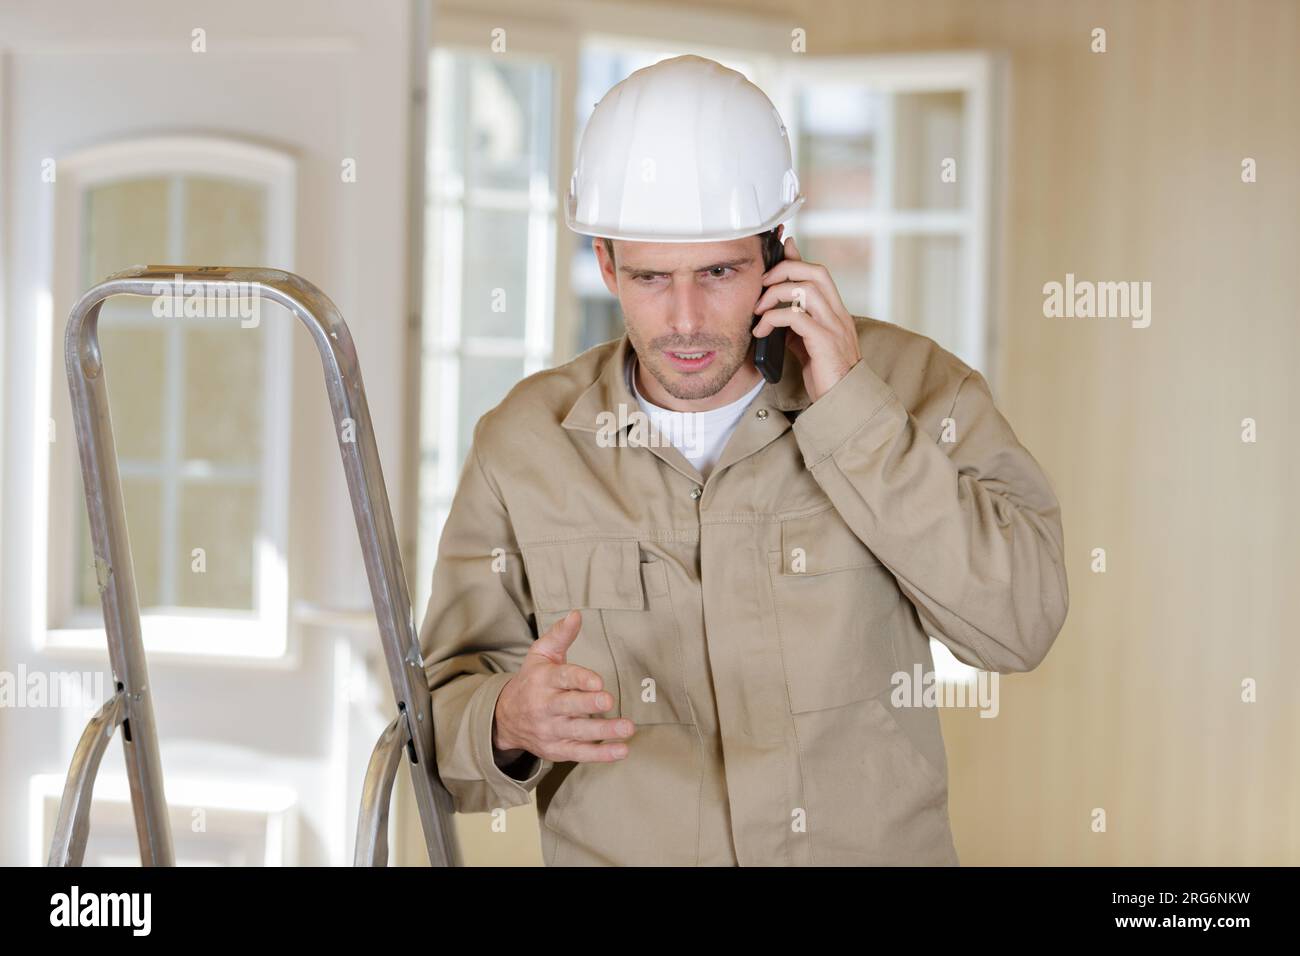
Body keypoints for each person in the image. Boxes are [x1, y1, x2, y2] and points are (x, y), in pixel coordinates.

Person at [418, 54, 1068, 865]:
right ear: (606, 265)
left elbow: (1021, 626)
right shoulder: (524, 443)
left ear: (777, 253)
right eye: (652, 277)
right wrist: (506, 721)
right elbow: (436, 728)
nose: (685, 319)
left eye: (720, 272)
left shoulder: (915, 388)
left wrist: (853, 415)